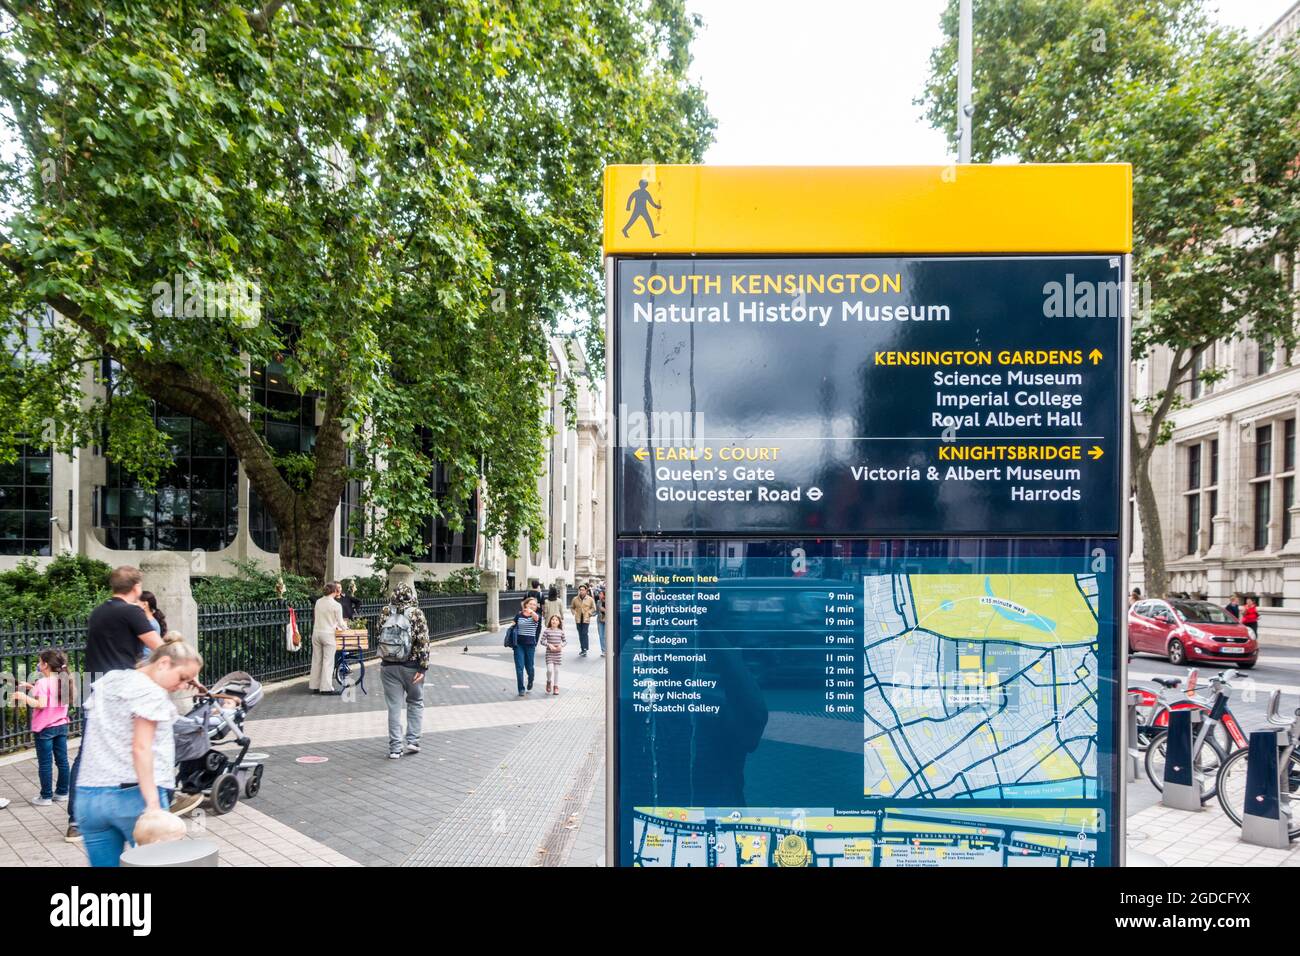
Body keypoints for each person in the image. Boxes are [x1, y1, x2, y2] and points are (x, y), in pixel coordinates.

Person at [74, 635, 202, 867]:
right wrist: (153, 804)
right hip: (134, 795)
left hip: (89, 796)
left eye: (189, 682)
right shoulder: (150, 692)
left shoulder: (110, 681)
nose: (183, 686)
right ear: (163, 663)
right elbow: (141, 747)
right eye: (183, 677)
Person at [66, 565, 164, 845]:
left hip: (93, 685)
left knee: (88, 750)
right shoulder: (132, 611)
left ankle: (76, 821)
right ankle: (137, 809)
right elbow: (159, 646)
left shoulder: (99, 611)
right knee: (136, 746)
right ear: (136, 587)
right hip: (119, 688)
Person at [379, 583, 430, 759]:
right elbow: (423, 641)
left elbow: (379, 634)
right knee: (415, 701)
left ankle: (395, 748)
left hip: (388, 666)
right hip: (412, 666)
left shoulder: (385, 612)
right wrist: (423, 667)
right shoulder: (416, 613)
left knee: (394, 706)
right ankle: (413, 741)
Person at [14, 649, 71, 806]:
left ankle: (45, 797)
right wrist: (31, 687)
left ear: (45, 665)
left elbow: (41, 704)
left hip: (45, 729)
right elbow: (52, 695)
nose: (38, 665)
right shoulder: (63, 680)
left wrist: (23, 696)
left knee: (45, 763)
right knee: (62, 761)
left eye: (40, 662)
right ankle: (62, 792)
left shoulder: (42, 683)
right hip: (61, 726)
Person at [309, 581, 347, 695]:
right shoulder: (336, 605)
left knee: (316, 660)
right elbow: (340, 623)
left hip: (316, 633)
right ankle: (325, 688)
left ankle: (315, 686)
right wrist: (346, 628)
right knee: (328, 661)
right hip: (328, 635)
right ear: (335, 591)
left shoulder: (319, 602)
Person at [512, 596, 542, 697]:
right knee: (519, 667)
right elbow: (513, 625)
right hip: (518, 645)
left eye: (534, 605)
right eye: (531, 604)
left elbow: (536, 618)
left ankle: (530, 679)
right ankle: (521, 688)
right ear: (526, 604)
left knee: (529, 667)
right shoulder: (519, 615)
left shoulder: (536, 616)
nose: (533, 606)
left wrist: (531, 612)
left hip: (530, 645)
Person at [541, 614, 566, 695]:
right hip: (549, 653)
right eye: (552, 619)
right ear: (550, 621)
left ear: (559, 622)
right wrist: (549, 645)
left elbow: (565, 641)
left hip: (558, 653)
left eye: (556, 620)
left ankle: (555, 686)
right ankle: (548, 681)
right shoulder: (547, 631)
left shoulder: (561, 631)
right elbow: (542, 641)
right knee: (549, 670)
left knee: (556, 671)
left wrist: (561, 645)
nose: (554, 621)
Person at [570, 584, 596, 657]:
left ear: (586, 591)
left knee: (584, 633)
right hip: (578, 619)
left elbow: (594, 608)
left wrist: (588, 613)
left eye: (582, 590)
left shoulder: (590, 599)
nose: (581, 591)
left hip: (586, 619)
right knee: (580, 634)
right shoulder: (575, 599)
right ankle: (582, 649)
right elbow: (572, 607)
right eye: (580, 590)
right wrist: (573, 612)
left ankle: (585, 649)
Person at [595, 584, 607, 656]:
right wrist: (589, 614)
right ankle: (603, 650)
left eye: (600, 594)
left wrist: (605, 610)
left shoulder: (609, 602)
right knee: (601, 636)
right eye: (599, 594)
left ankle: (608, 649)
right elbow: (596, 612)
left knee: (606, 636)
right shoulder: (598, 602)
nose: (599, 595)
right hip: (600, 620)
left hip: (607, 621)